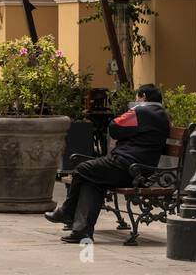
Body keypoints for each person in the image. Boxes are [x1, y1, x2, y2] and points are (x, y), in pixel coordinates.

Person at [45, 84, 170, 243]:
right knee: (92, 182)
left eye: (137, 97)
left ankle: (66, 211)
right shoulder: (163, 116)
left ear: (143, 96)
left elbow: (115, 126)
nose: (136, 100)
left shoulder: (141, 111)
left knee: (82, 169)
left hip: (125, 164)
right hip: (140, 169)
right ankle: (81, 231)